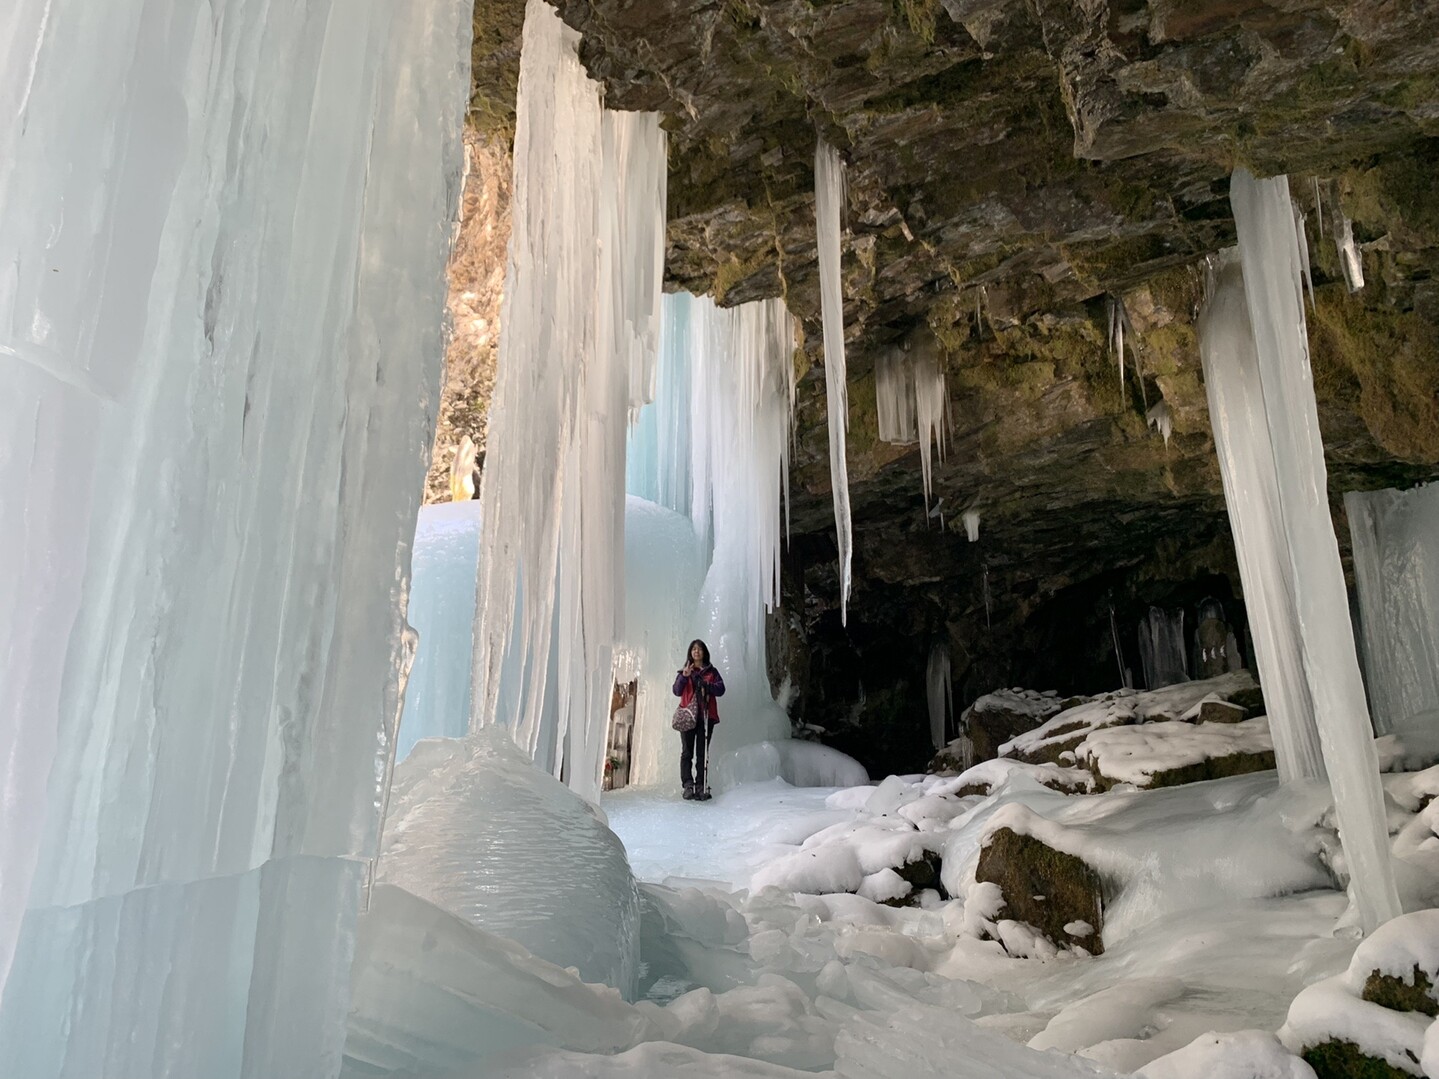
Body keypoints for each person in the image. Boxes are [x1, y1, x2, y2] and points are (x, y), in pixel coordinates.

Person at [673, 639, 724, 800]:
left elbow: (721, 689)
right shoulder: (685, 671)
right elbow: (676, 691)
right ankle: (688, 785)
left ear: (704, 652)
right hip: (688, 716)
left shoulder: (712, 672)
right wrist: (684, 676)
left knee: (702, 752)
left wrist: (707, 686)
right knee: (687, 752)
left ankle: (701, 784)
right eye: (694, 649)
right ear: (690, 652)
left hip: (705, 717)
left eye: (699, 649)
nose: (696, 652)